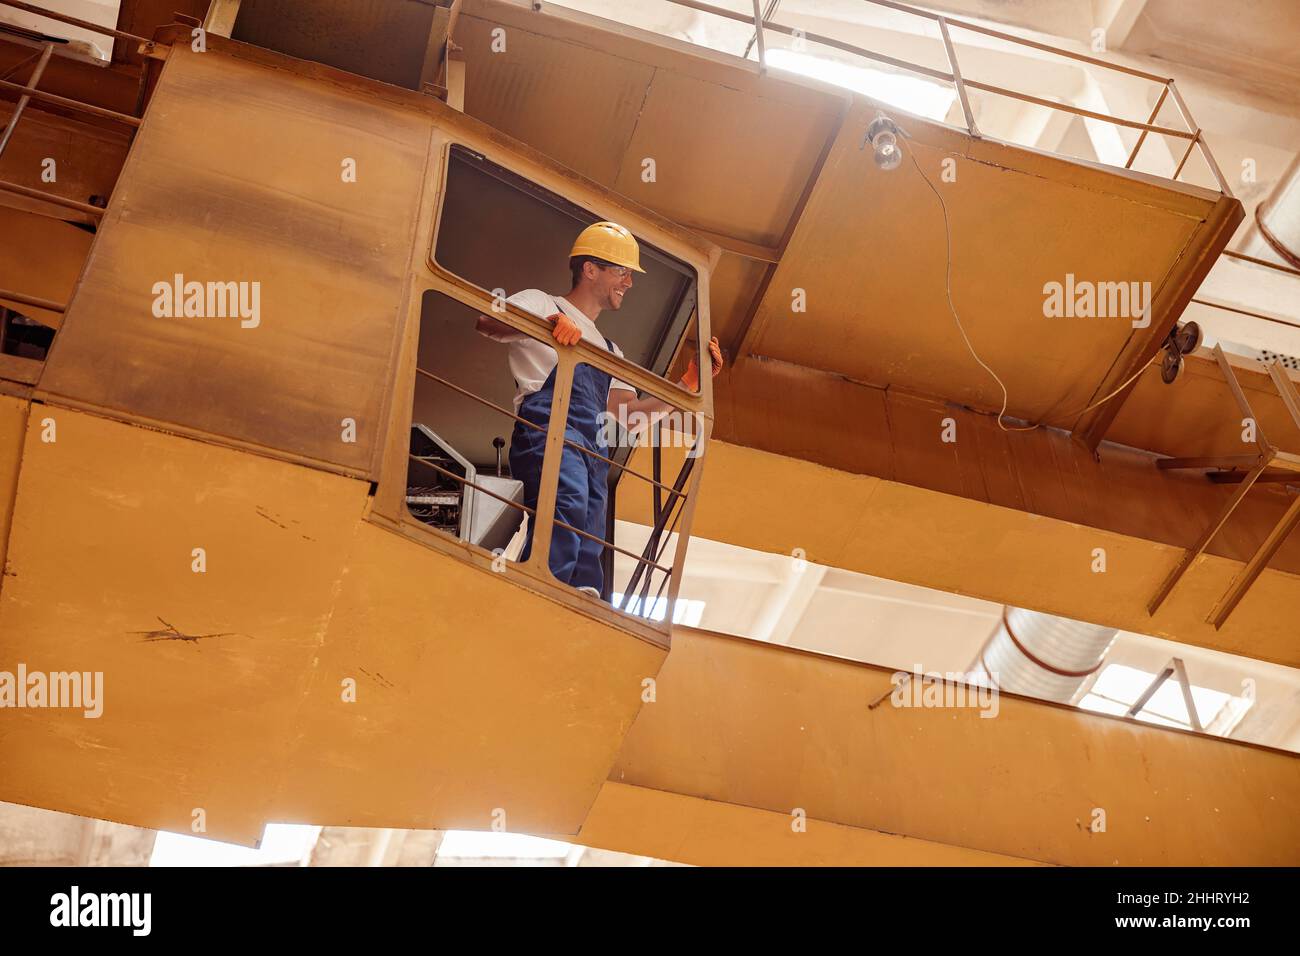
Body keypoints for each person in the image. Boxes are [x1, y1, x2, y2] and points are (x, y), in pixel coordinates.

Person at [476, 220, 723, 598]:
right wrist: (545, 326)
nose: (629, 282)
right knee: (567, 504)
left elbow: (630, 418)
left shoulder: (611, 351)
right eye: (622, 272)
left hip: (594, 450)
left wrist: (688, 384)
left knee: (590, 528)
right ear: (590, 269)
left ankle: (581, 598)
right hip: (549, 429)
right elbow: (487, 323)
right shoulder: (544, 303)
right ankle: (542, 588)